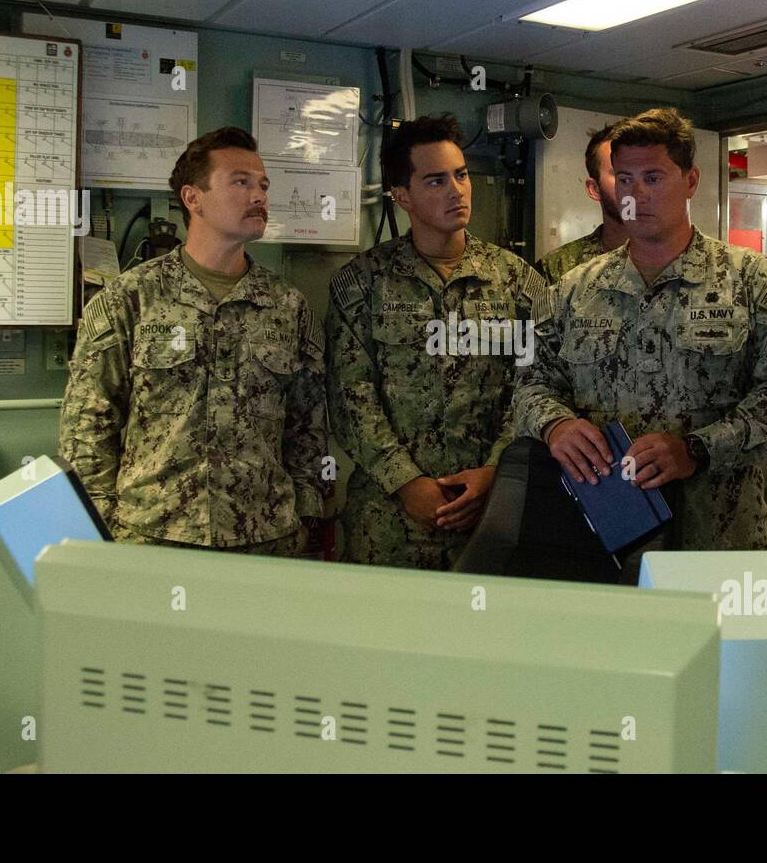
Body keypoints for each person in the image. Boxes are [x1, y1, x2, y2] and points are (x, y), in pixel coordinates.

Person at [513, 107, 767, 554]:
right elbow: (529, 382)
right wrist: (556, 425)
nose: (635, 195)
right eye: (624, 179)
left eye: (653, 178)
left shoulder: (753, 283)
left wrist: (697, 450)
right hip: (602, 540)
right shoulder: (573, 290)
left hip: (719, 540)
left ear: (691, 180)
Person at [59, 126, 328, 555]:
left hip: (265, 539)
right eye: (240, 182)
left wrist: (306, 515)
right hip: (152, 538)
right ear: (192, 198)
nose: (258, 196)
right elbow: (88, 425)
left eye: (263, 185)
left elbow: (308, 428)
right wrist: (101, 528)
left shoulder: (287, 306)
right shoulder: (131, 298)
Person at [325, 114, 545, 569]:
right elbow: (350, 398)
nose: (456, 190)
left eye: (461, 175)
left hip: (493, 515)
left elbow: (535, 386)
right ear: (402, 195)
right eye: (435, 180)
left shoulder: (517, 281)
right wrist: (406, 482)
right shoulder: (363, 283)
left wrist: (495, 472)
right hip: (389, 523)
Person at [536, 122, 628, 283]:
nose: (636, 186)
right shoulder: (558, 269)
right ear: (594, 189)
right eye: (621, 174)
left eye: (650, 177)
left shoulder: (679, 258)